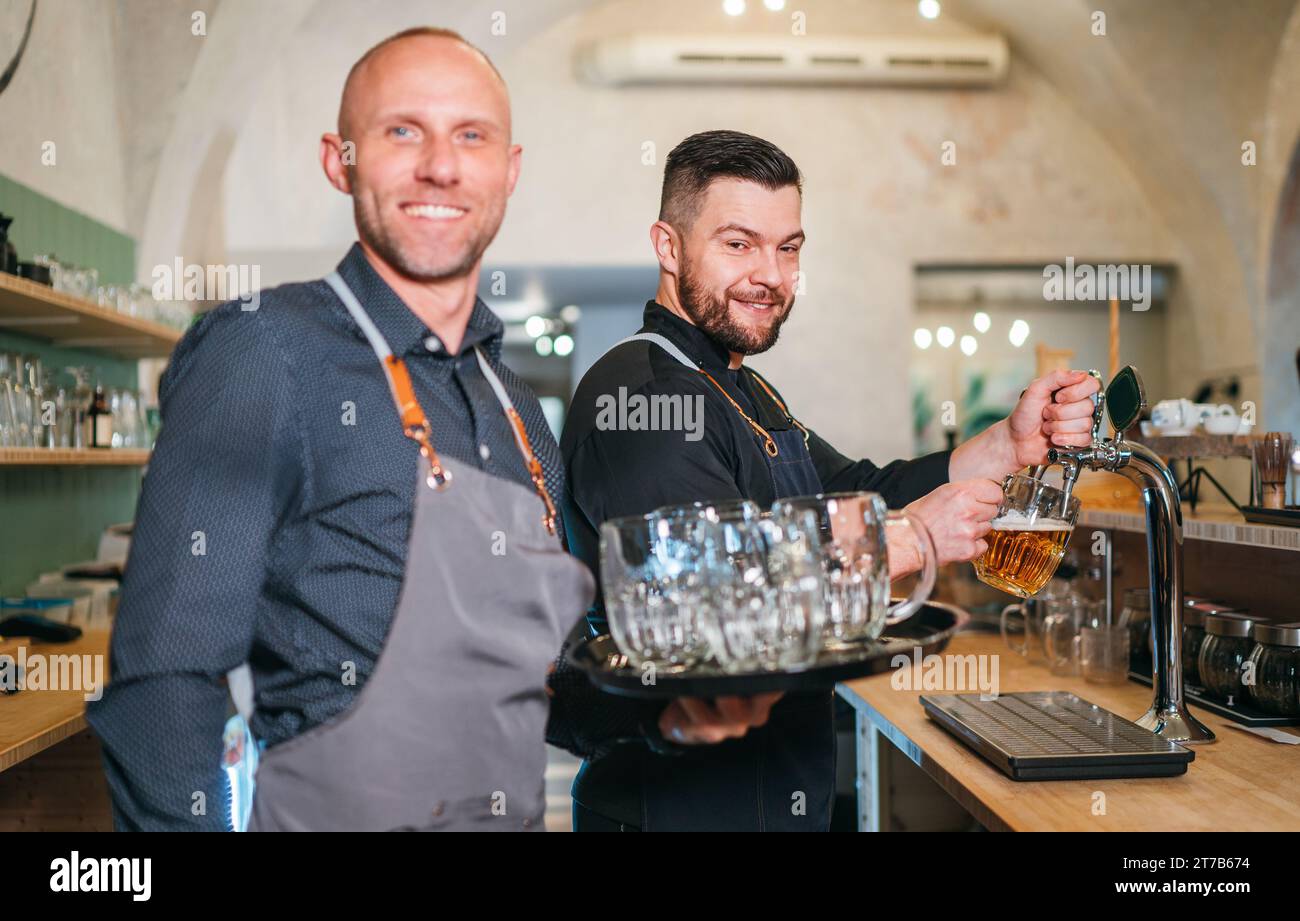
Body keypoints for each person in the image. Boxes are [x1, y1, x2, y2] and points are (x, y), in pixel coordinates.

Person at [86, 27, 594, 831]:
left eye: (472, 134)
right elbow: (164, 680)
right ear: (340, 160)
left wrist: (666, 719)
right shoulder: (266, 351)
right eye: (402, 132)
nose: (441, 164)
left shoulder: (518, 409)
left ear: (509, 169)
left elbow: (536, 685)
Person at [555, 129, 1101, 831]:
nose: (772, 275)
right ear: (668, 246)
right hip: (678, 809)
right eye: (738, 244)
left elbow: (866, 488)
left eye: (789, 248)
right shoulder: (644, 398)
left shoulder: (740, 389)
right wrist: (907, 543)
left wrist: (1008, 443)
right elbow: (719, 604)